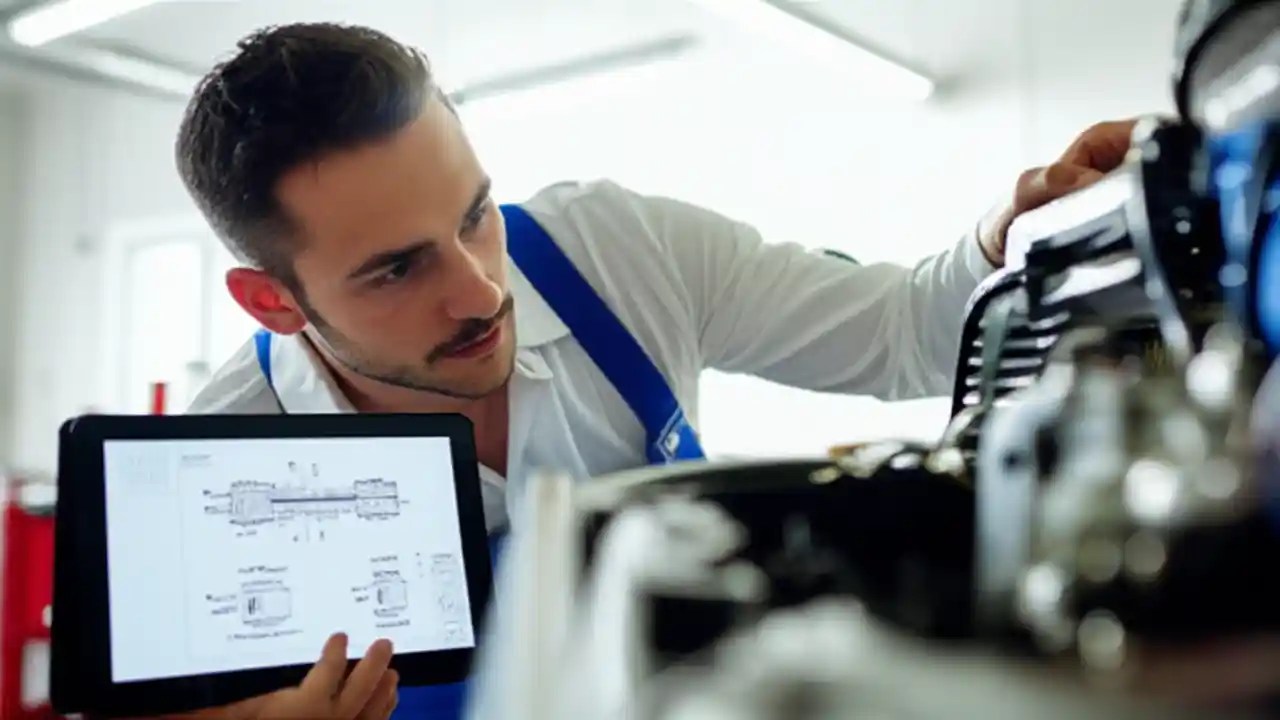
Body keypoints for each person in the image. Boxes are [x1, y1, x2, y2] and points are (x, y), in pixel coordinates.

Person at [170, 21, 1137, 720]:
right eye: (396, 269)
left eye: (474, 215)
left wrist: (1008, 237)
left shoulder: (620, 255)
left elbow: (906, 334)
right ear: (274, 302)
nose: (480, 292)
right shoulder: (207, 476)